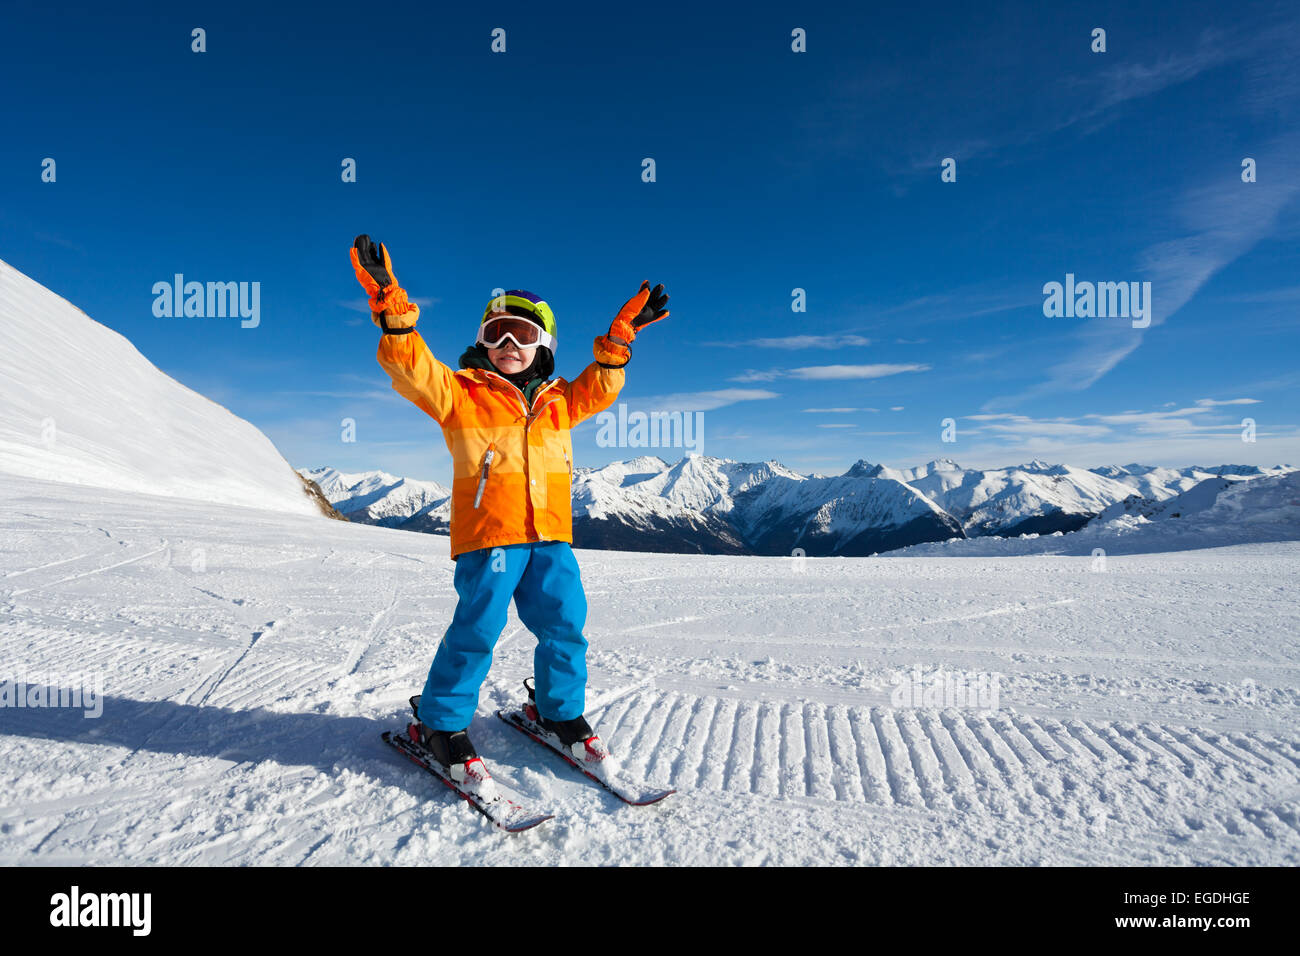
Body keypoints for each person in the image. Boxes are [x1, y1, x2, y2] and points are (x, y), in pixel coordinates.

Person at [349, 235, 669, 788]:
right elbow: (411, 369)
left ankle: (557, 712)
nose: (507, 343)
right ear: (481, 342)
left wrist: (618, 343)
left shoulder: (558, 401)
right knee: (477, 629)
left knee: (566, 626)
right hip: (491, 538)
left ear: (542, 344)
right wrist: (393, 312)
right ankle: (440, 725)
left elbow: (601, 388)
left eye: (521, 333)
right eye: (494, 333)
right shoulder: (461, 394)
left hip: (551, 537)